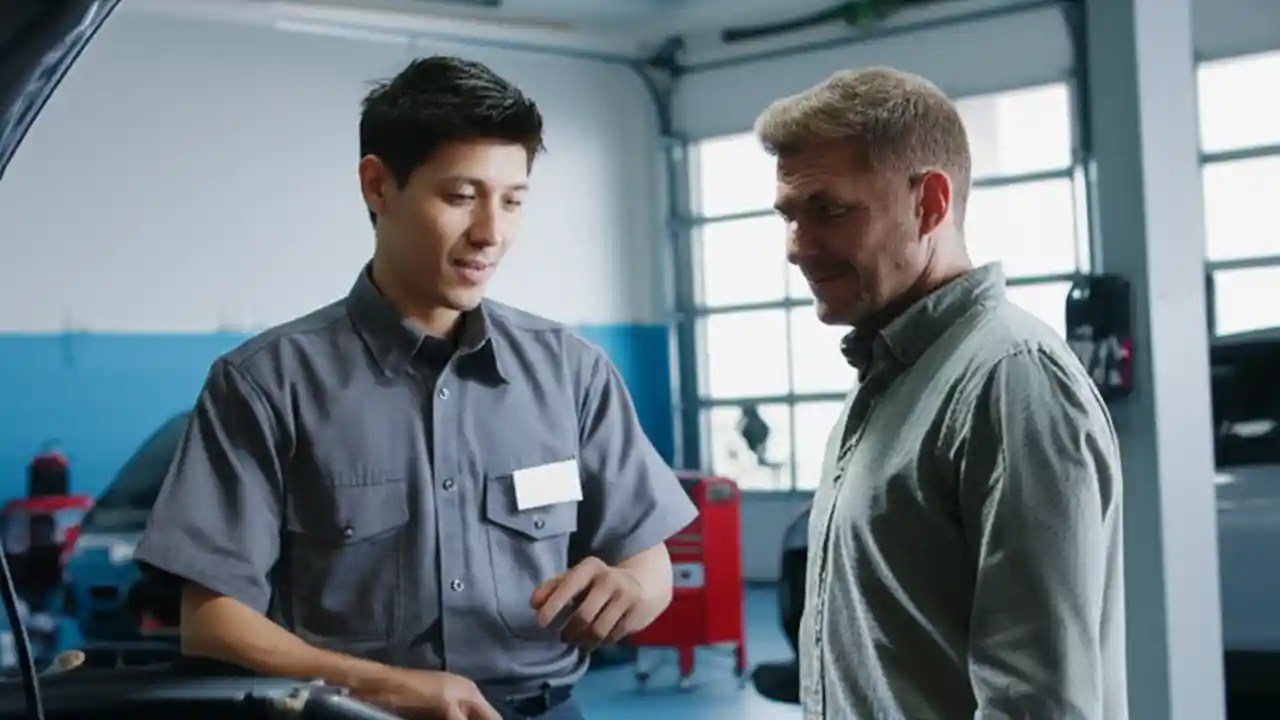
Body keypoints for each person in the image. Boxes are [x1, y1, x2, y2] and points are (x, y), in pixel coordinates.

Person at [132, 55, 698, 720]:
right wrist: (379, 685)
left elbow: (650, 561)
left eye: (513, 201)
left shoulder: (571, 372)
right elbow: (213, 623)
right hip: (353, 714)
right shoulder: (265, 384)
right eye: (461, 197)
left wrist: (632, 586)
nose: (491, 232)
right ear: (378, 185)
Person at [754, 67, 1127, 719]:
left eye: (829, 211)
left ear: (929, 203)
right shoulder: (890, 375)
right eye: (789, 216)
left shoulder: (1010, 378)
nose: (797, 247)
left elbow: (1040, 702)